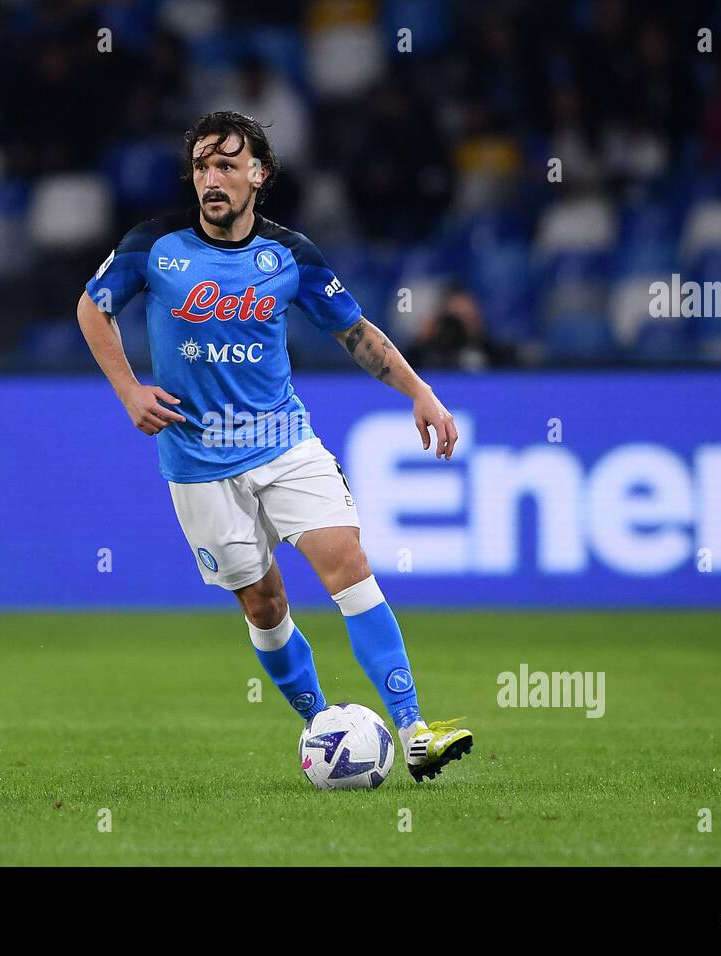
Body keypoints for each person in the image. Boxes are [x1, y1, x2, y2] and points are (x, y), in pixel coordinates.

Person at [76, 111, 472, 780]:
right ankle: (321, 723)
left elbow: (356, 332)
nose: (212, 178)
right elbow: (93, 307)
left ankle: (412, 732)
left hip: (284, 442)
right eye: (202, 166)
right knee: (264, 604)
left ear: (259, 174)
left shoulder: (290, 256)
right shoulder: (153, 246)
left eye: (227, 165)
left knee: (347, 562)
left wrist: (418, 391)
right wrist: (129, 391)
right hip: (197, 461)